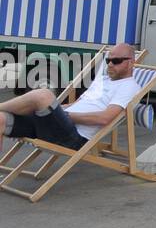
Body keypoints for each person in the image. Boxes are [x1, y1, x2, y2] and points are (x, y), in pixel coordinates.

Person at [0, 43, 140, 151]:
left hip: (73, 136)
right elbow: (78, 104)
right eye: (108, 60)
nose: (109, 64)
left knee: (44, 94)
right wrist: (55, 111)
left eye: (116, 61)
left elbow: (104, 118)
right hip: (56, 126)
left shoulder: (129, 87)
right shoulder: (103, 81)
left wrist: (67, 116)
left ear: (131, 62)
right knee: (1, 119)